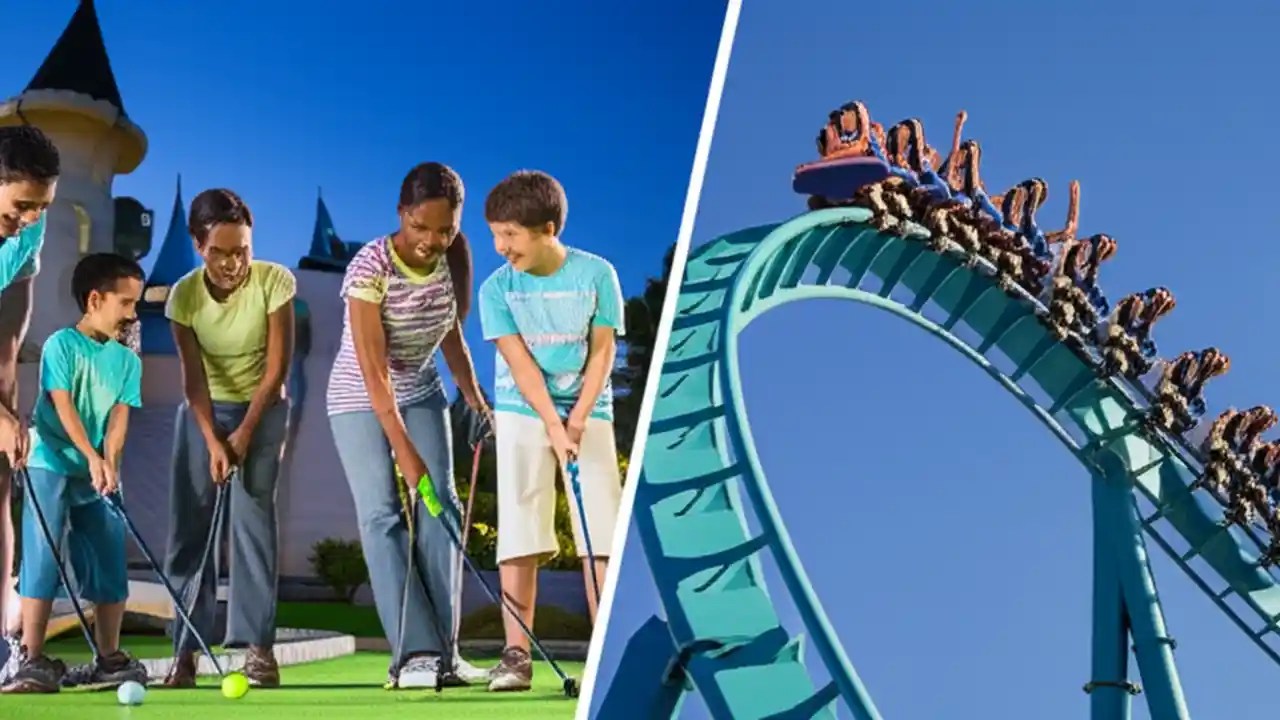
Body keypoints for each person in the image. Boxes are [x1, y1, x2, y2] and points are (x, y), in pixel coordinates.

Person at [327, 162, 492, 689]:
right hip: (359, 395)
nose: (432, 240)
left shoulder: (455, 254)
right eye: (421, 227)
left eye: (445, 230)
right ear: (402, 214)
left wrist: (473, 396)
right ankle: (414, 653)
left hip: (421, 388)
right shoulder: (369, 267)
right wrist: (403, 449)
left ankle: (447, 651)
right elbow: (374, 373)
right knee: (382, 515)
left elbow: (451, 334)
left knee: (441, 502)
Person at [477, 169, 625, 692]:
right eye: (495, 234)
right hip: (523, 406)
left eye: (510, 235)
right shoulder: (497, 288)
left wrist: (578, 420)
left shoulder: (598, 274)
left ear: (547, 227)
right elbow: (519, 366)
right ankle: (516, 658)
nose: (500, 247)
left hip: (590, 406)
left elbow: (604, 350)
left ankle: (604, 652)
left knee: (601, 530)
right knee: (519, 523)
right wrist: (551, 424)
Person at [158, 189, 295, 689]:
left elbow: (276, 370)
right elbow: (192, 381)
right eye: (221, 252)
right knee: (190, 534)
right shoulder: (184, 296)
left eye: (243, 250)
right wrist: (214, 439)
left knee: (253, 523)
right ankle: (185, 652)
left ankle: (258, 650)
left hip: (263, 408)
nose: (234, 262)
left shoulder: (275, 282)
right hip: (203, 413)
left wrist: (243, 434)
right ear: (199, 245)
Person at [0, 253, 149, 694]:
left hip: (96, 473)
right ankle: (30, 657)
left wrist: (111, 465)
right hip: (49, 462)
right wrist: (91, 455)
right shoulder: (60, 346)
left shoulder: (128, 362)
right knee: (43, 557)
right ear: (95, 299)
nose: (133, 313)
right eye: (126, 303)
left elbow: (120, 420)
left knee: (107, 556)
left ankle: (108, 658)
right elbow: (62, 406)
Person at [0, 125, 60, 686]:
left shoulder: (26, 234)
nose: (29, 217)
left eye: (41, 207)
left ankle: (1, 640)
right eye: (21, 204)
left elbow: (8, 338)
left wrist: (10, 415)